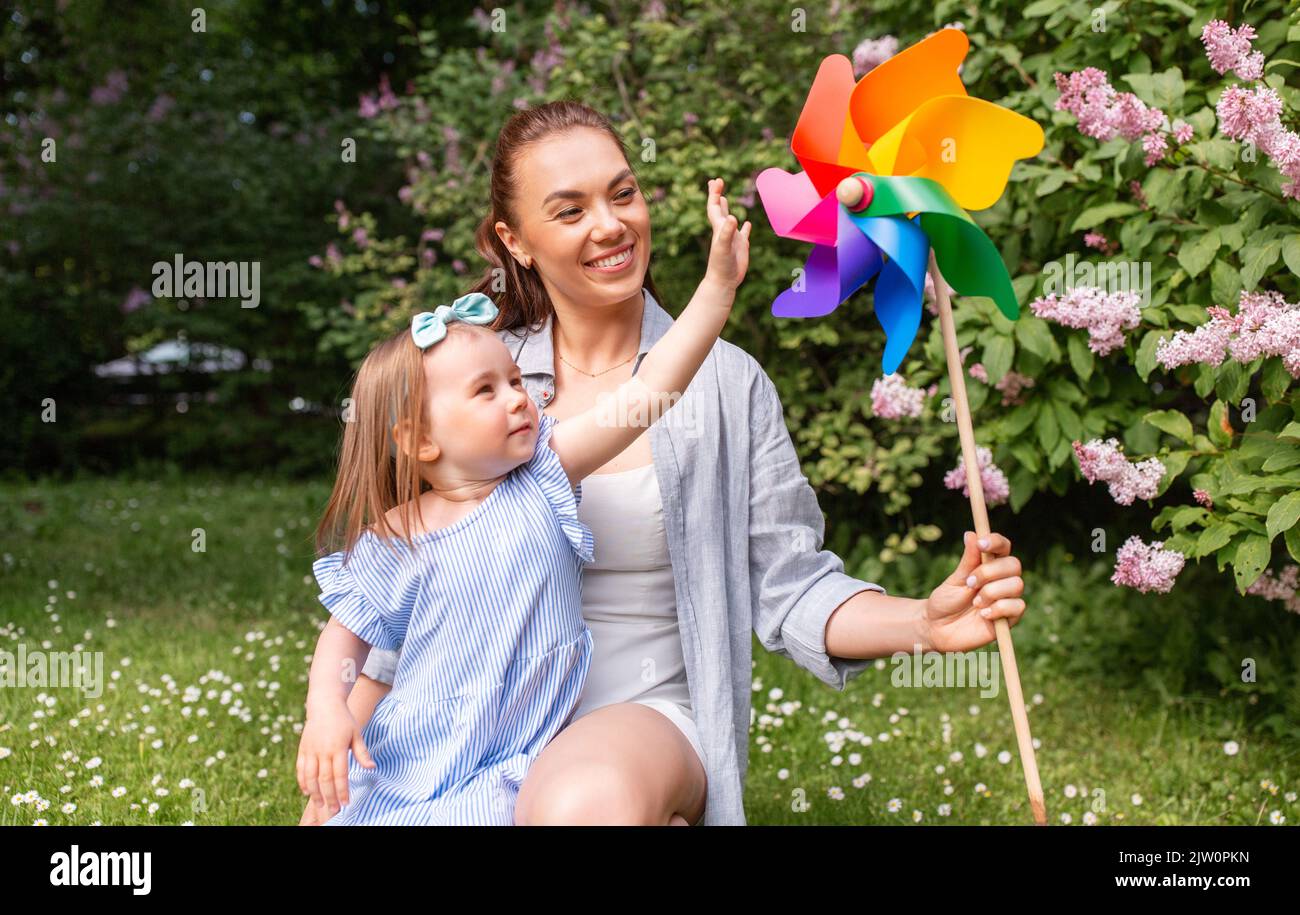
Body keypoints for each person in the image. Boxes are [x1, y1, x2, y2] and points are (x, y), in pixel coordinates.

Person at [302, 99, 1025, 827]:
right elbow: (412, 590)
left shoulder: (722, 383)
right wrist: (338, 753)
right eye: (569, 209)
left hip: (641, 715)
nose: (610, 224)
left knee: (577, 804)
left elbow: (791, 584)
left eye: (623, 193)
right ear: (514, 240)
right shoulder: (474, 381)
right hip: (480, 726)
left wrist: (924, 624)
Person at [294, 177, 751, 824]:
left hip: (505, 764)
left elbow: (647, 394)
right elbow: (344, 643)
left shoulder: (544, 475)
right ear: (419, 440)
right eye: (486, 391)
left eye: (515, 380)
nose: (519, 396)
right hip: (408, 760)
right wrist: (326, 711)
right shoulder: (395, 536)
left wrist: (715, 293)